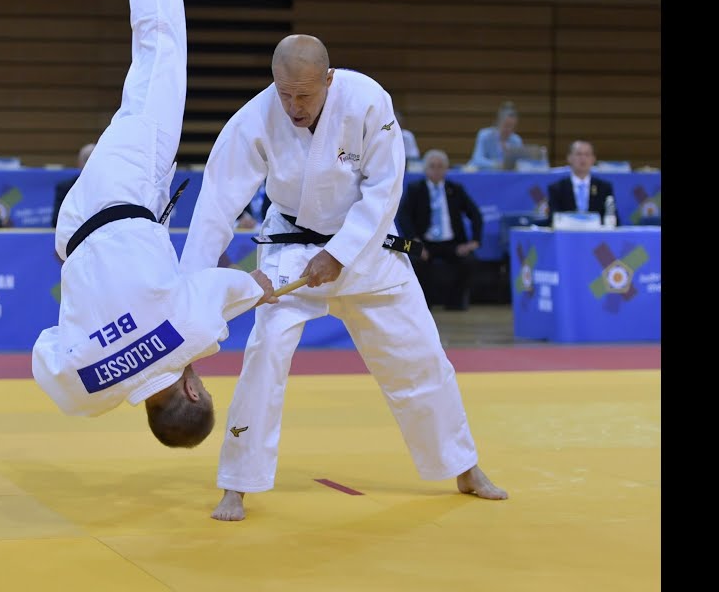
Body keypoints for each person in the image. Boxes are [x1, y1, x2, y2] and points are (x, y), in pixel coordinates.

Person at [179, 34, 507, 522]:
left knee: (420, 357)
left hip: (366, 245)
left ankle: (462, 465)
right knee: (264, 355)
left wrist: (340, 253)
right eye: (284, 93)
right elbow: (215, 208)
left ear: (328, 79)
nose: (293, 106)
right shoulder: (254, 119)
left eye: (305, 95)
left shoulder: (369, 102)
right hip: (290, 247)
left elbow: (385, 188)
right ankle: (237, 483)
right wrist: (191, 300)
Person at [32, 0, 279, 448]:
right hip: (75, 234)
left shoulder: (193, 333)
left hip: (124, 194)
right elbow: (46, 347)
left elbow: (239, 286)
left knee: (161, 55)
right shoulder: (83, 397)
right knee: (154, 75)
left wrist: (279, 282)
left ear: (192, 392)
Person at [397, 150, 483, 311]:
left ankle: (455, 302)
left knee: (470, 261)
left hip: (452, 242)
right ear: (425, 169)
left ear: (446, 169)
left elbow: (475, 214)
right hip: (424, 241)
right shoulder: (415, 189)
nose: (436, 170)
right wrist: (414, 240)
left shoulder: (455, 189)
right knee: (414, 260)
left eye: (440, 167)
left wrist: (475, 241)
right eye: (432, 166)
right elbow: (403, 216)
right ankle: (424, 302)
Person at [546, 140, 617, 225]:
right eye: (579, 154)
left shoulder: (604, 188)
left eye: (587, 155)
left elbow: (612, 218)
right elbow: (553, 219)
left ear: (593, 159)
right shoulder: (557, 188)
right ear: (569, 158)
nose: (583, 158)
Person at [51, 143, 97, 228]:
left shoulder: (108, 188)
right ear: (79, 163)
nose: (89, 165)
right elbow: (56, 221)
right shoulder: (65, 188)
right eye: (86, 160)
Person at [468, 101, 522, 169]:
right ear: (498, 122)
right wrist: (496, 164)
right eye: (507, 125)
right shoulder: (485, 135)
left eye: (512, 127)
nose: (509, 129)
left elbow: (520, 163)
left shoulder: (516, 140)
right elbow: (477, 159)